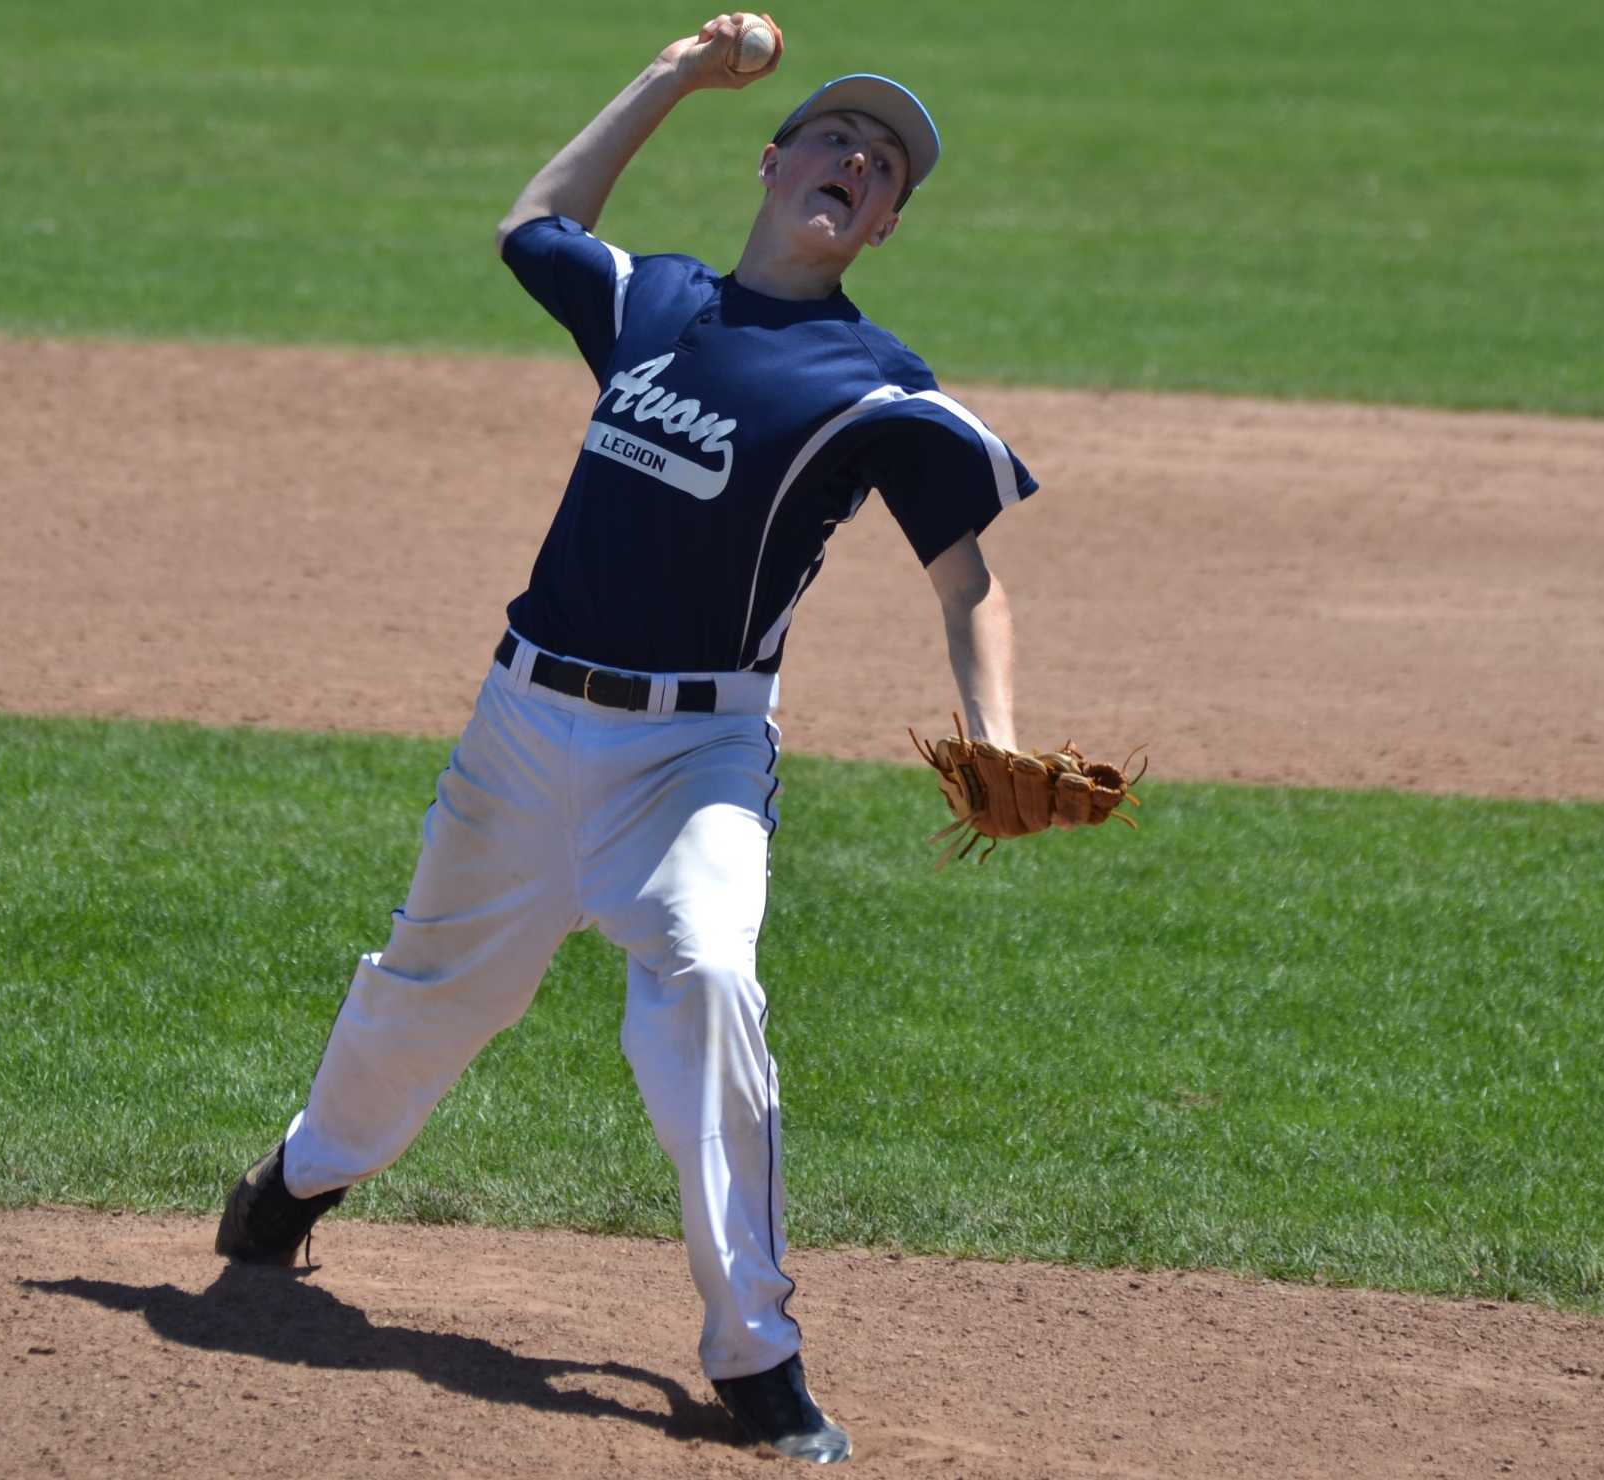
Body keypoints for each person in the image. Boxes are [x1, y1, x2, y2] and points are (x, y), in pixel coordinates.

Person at [216, 15, 1037, 1465]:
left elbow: (967, 575)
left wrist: (998, 730)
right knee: (431, 992)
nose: (859, 158)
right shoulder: (653, 303)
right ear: (775, 161)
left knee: (710, 979)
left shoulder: (879, 386)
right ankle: (295, 1181)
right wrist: (670, 73)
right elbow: (534, 224)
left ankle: (754, 1350)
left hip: (694, 760)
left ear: (890, 222)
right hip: (524, 724)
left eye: (888, 163)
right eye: (839, 136)